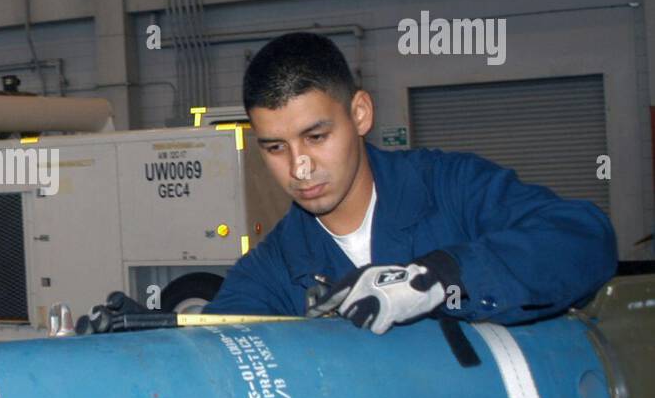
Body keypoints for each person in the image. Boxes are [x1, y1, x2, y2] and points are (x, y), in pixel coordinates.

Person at [201, 33, 617, 331]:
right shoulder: (272, 270)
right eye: (275, 148)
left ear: (360, 113)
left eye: (316, 137)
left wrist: (445, 276)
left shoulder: (452, 189)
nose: (299, 168)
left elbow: (584, 239)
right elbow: (212, 349)